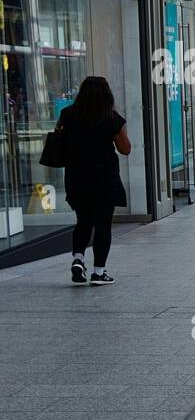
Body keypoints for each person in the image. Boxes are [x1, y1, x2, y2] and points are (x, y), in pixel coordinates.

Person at [58, 76, 130, 285]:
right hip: (104, 178)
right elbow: (125, 149)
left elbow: (59, 142)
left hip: (77, 177)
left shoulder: (67, 115)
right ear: (107, 95)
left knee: (83, 221)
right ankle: (99, 272)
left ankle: (78, 258)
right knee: (103, 225)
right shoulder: (111, 118)